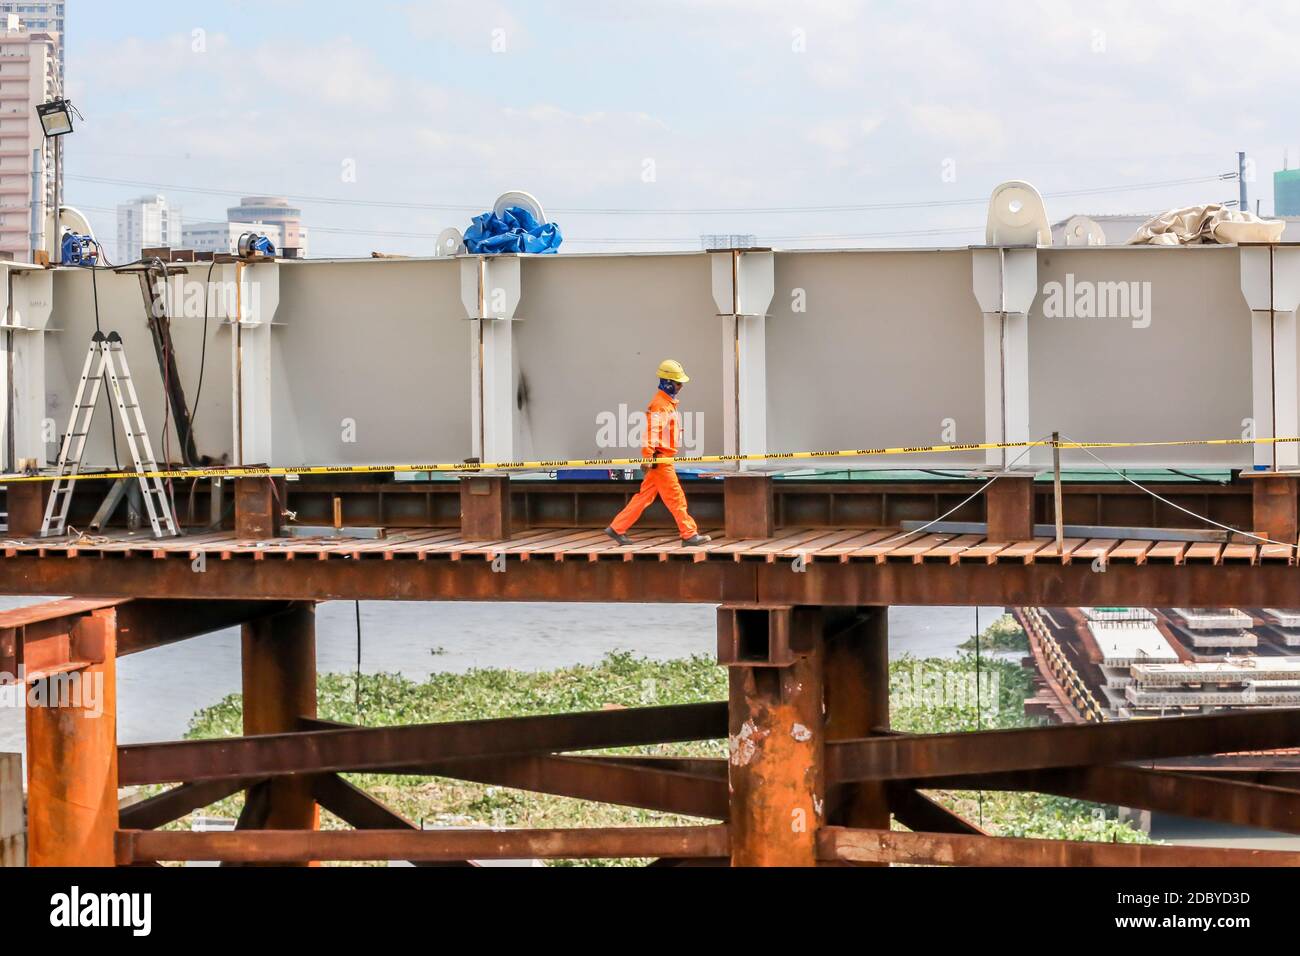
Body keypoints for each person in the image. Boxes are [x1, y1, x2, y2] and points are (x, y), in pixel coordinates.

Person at [605, 359, 711, 547]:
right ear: (668, 382)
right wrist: (647, 456)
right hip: (661, 461)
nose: (681, 387)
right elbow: (652, 430)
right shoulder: (661, 404)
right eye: (678, 383)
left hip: (660, 458)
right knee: (675, 497)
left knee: (644, 496)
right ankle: (688, 534)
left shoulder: (666, 403)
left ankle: (617, 528)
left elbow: (660, 429)